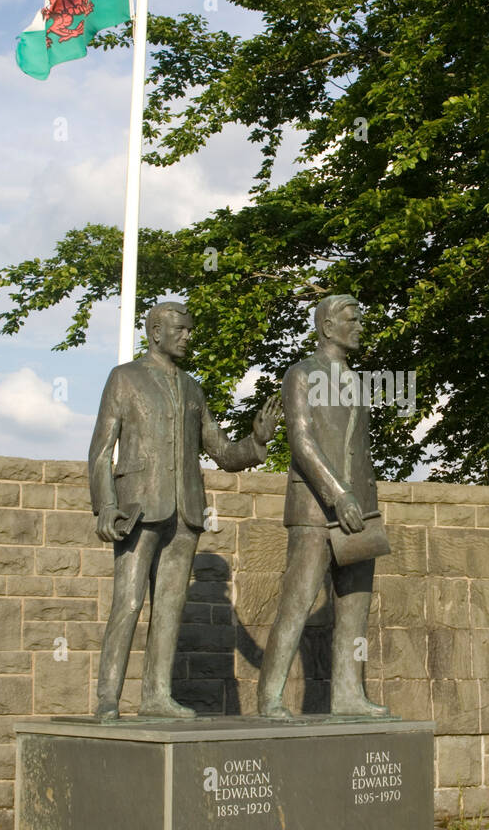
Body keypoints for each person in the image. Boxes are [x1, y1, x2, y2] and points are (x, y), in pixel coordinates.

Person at [89, 300, 280, 721]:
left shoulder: (193, 388)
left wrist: (257, 442)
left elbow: (222, 451)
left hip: (186, 513)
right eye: (180, 329)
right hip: (137, 509)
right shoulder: (124, 378)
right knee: (128, 602)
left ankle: (156, 694)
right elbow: (101, 451)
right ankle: (108, 697)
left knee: (171, 608)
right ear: (155, 332)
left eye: (189, 330)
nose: (188, 336)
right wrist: (105, 506)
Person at [257, 294, 390, 719]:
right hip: (316, 507)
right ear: (327, 327)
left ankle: (349, 694)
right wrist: (338, 493)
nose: (359, 326)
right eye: (352, 319)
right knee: (296, 604)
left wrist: (361, 500)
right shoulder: (301, 373)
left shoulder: (359, 382)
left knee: (354, 609)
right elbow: (301, 439)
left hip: (359, 513)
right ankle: (271, 698)